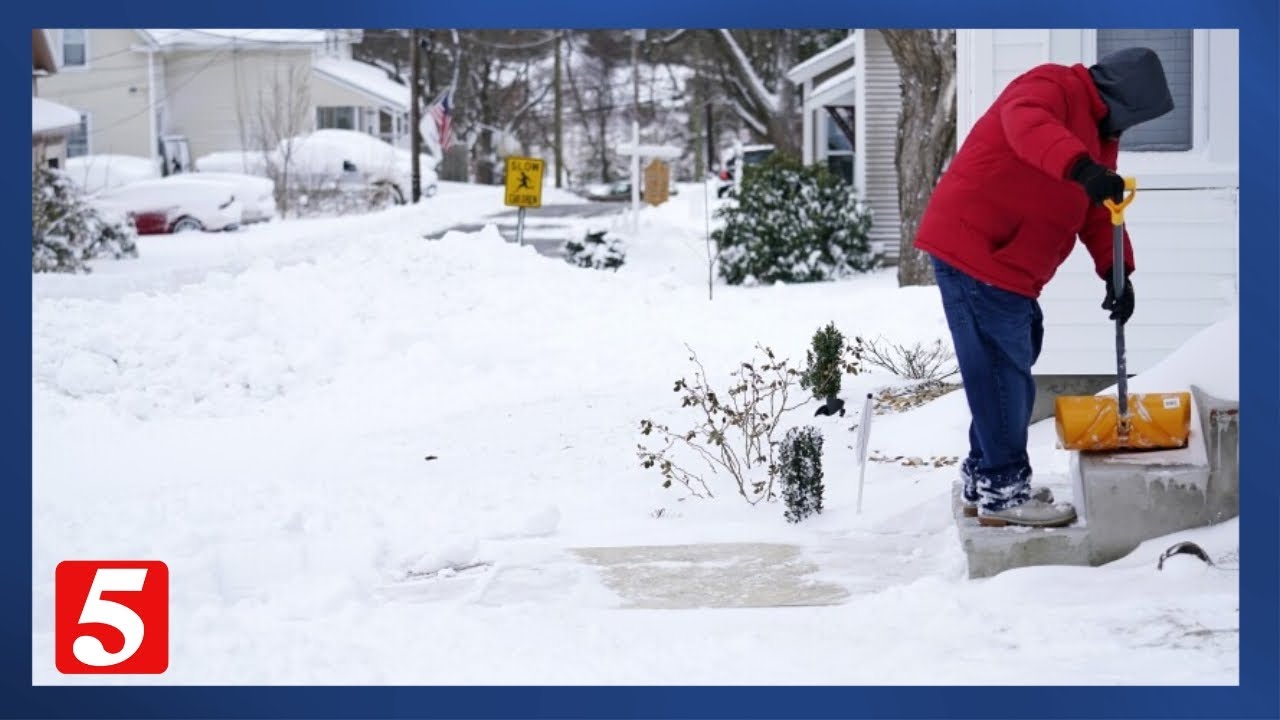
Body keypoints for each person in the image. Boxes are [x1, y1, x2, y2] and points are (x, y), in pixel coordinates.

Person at [915, 47, 1175, 528]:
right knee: (1001, 370)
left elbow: (1099, 210)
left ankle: (984, 475)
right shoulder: (1051, 87)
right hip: (978, 249)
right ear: (1123, 98)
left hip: (1007, 263)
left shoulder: (1101, 137)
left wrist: (1118, 273)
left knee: (1012, 358)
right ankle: (1002, 490)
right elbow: (1026, 125)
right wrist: (1080, 167)